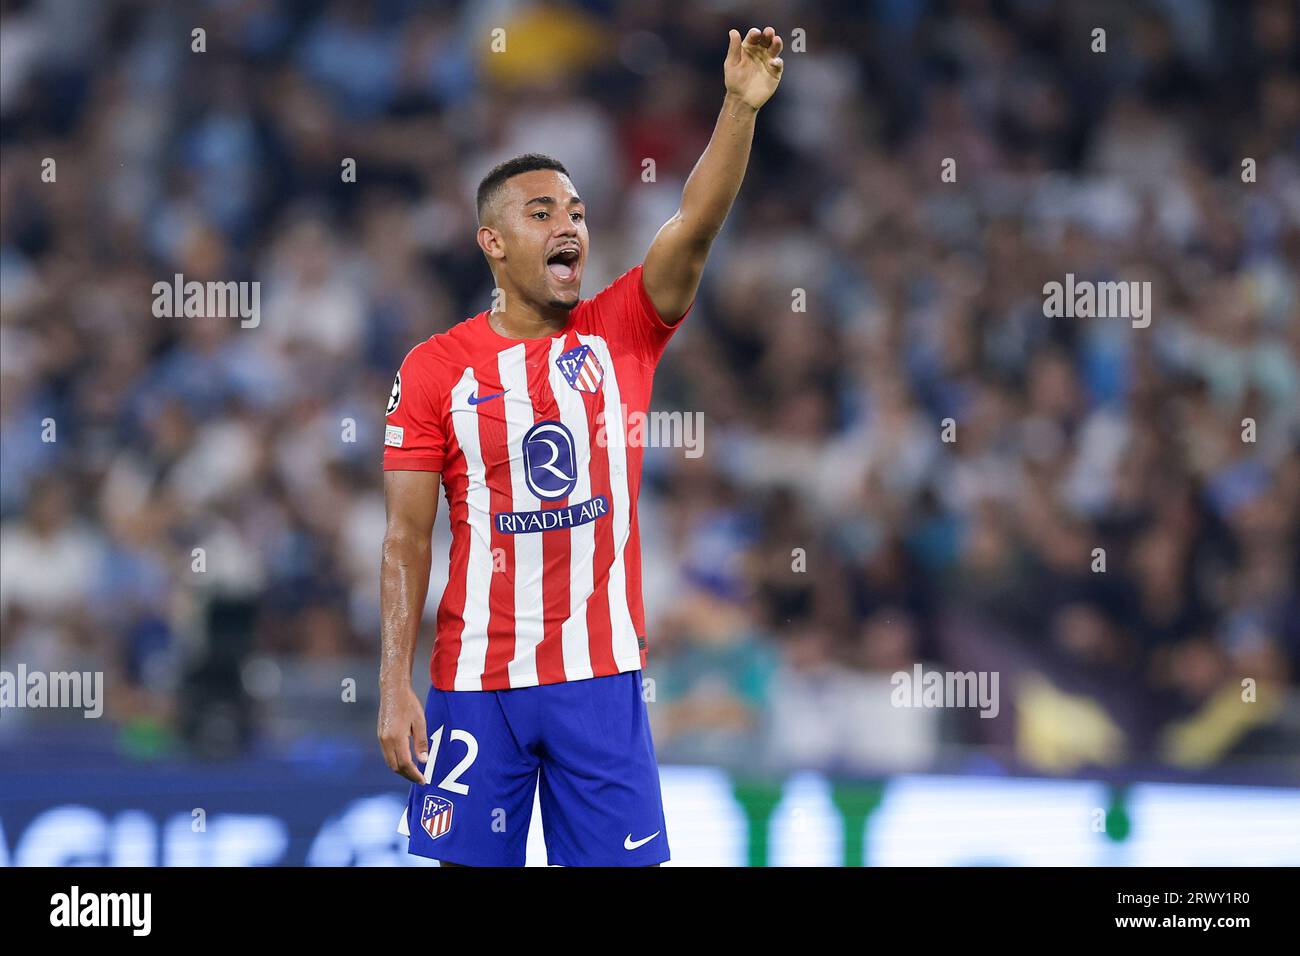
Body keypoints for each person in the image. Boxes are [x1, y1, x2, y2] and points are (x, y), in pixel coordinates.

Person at [376, 27, 784, 866]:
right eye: (541, 213)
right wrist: (392, 684)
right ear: (492, 242)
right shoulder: (433, 370)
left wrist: (738, 108)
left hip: (599, 679)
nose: (569, 226)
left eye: (577, 212)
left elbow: (694, 224)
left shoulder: (621, 332)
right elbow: (407, 537)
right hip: (474, 684)